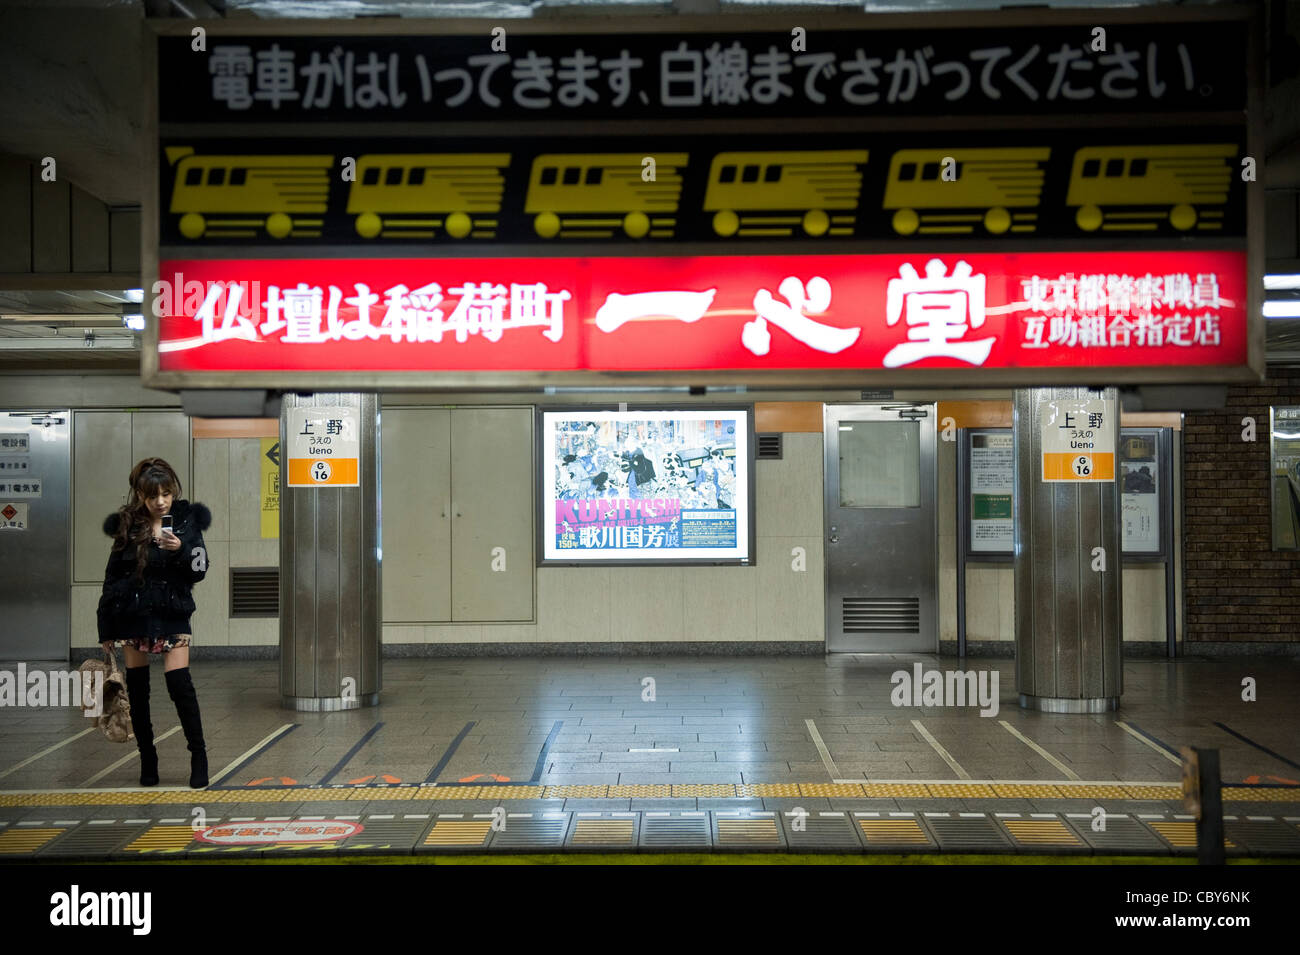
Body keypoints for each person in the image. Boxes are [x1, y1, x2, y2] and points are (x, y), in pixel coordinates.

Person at [96, 458, 211, 788]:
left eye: (166, 493)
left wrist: (181, 550)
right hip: (135, 617)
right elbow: (112, 576)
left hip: (173, 614)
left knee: (180, 686)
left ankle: (198, 756)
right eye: (152, 496)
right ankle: (148, 758)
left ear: (173, 492)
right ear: (140, 496)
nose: (161, 501)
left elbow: (200, 569)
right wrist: (106, 628)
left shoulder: (187, 521)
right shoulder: (129, 525)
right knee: (139, 692)